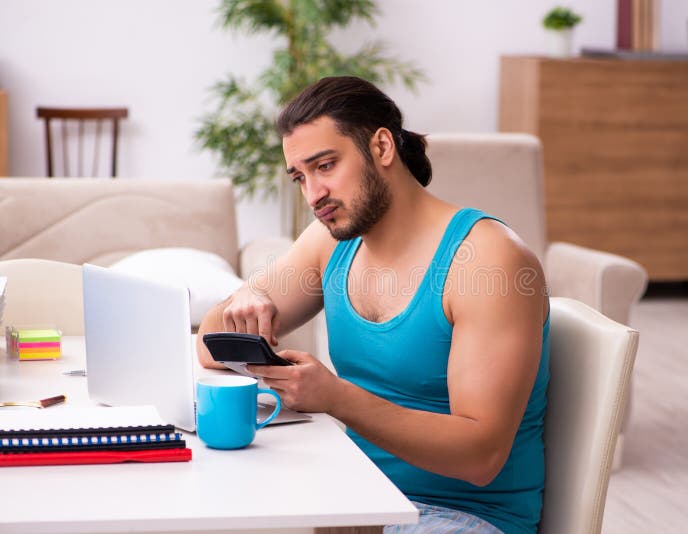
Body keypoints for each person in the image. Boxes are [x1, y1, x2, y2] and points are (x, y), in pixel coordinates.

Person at [197, 76, 550, 533]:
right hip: (358, 496)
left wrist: (335, 397)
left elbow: (480, 456)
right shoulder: (331, 243)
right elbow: (209, 346)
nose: (313, 194)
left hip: (462, 516)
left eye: (325, 165)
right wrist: (247, 297)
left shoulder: (487, 259)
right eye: (300, 177)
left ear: (382, 147)